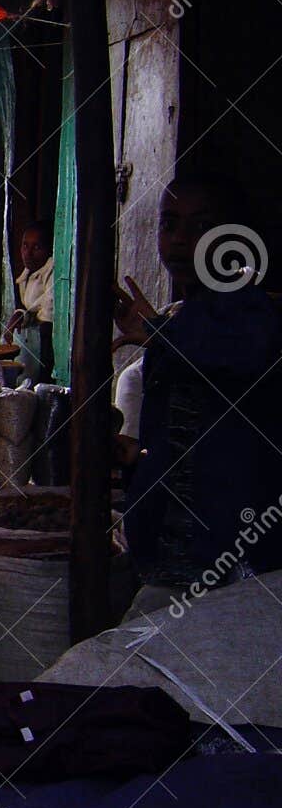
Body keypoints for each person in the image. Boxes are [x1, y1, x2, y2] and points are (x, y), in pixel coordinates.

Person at [115, 175, 282, 607]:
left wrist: (157, 334)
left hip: (227, 552)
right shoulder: (185, 315)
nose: (181, 240)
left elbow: (238, 355)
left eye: (200, 225)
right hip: (177, 547)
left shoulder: (249, 310)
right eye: (169, 224)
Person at [6, 221, 54, 383]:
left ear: (48, 250)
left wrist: (27, 317)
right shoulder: (27, 275)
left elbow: (48, 316)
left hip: (47, 344)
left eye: (36, 247)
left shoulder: (53, 272)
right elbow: (31, 308)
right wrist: (20, 316)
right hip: (34, 344)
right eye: (25, 246)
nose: (28, 253)